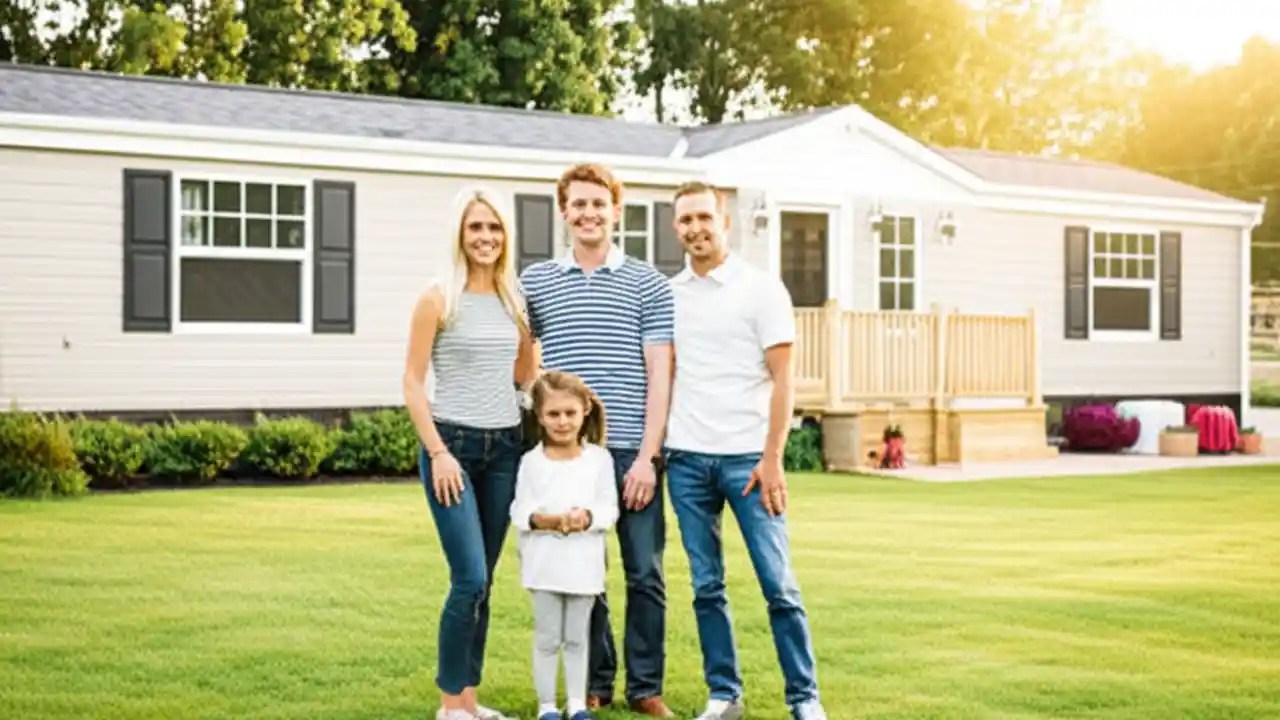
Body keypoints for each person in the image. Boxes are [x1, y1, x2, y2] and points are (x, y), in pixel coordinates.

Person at [663, 181, 827, 720]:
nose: (695, 228)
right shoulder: (670, 294)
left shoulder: (762, 290)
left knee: (778, 586)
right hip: (686, 461)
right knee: (706, 587)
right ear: (676, 228)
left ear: (725, 221)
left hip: (749, 463)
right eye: (685, 220)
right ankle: (724, 694)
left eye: (704, 217)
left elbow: (784, 380)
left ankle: (804, 699)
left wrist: (773, 457)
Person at [518, 163, 675, 717]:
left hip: (632, 452)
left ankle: (646, 686)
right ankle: (596, 680)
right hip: (568, 456)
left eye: (598, 203)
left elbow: (660, 374)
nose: (588, 213)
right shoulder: (534, 282)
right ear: (564, 212)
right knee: (586, 572)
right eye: (577, 204)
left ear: (616, 211)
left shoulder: (648, 284)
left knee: (644, 572)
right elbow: (523, 361)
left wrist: (648, 458)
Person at [402, 185, 538, 720]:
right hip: (452, 448)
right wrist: (437, 452)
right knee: (470, 579)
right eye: (476, 227)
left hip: (504, 447)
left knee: (484, 584)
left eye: (495, 228)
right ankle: (448, 705)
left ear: (506, 235)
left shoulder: (513, 298)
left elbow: (525, 376)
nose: (486, 237)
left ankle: (470, 703)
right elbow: (412, 384)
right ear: (461, 233)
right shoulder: (438, 297)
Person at [509, 371, 620, 720]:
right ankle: (546, 706)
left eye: (569, 413)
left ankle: (575, 703)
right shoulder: (532, 462)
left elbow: (609, 508)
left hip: (584, 565)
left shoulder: (599, 460)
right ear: (540, 417)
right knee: (547, 637)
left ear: (584, 410)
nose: (562, 421)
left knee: (577, 637)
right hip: (544, 564)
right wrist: (543, 520)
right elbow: (519, 509)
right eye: (553, 414)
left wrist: (586, 517)